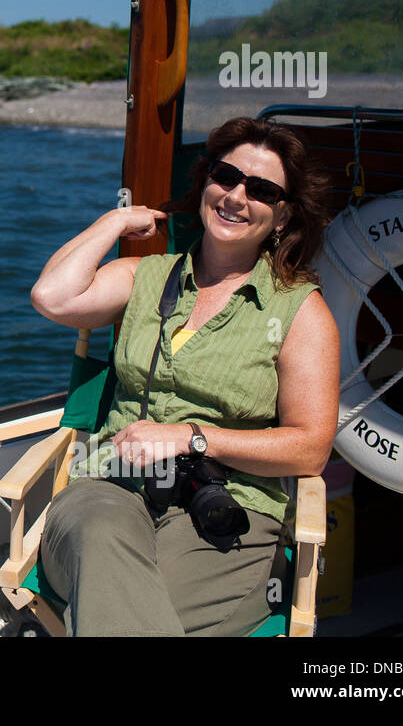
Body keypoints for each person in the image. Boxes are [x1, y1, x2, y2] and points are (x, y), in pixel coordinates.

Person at [29, 116, 341, 636]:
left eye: (261, 189)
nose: (237, 196)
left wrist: (191, 438)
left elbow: (310, 448)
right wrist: (114, 223)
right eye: (226, 176)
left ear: (283, 215)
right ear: (205, 184)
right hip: (113, 485)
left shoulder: (299, 313)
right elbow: (53, 297)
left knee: (125, 606)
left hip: (227, 504)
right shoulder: (143, 278)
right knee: (103, 541)